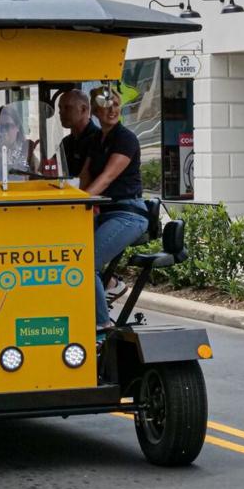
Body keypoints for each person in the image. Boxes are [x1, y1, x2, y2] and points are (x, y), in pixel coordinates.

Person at [80, 85, 147, 331]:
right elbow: (86, 175)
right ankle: (109, 285)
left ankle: (100, 322)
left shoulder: (126, 138)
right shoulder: (96, 140)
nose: (111, 110)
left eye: (116, 105)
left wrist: (82, 200)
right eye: (106, 106)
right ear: (95, 110)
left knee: (84, 262)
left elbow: (107, 178)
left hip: (128, 214)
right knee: (64, 252)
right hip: (103, 212)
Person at [58, 88, 98, 179]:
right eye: (60, 108)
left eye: (67, 107)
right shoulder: (66, 142)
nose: (61, 112)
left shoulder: (98, 140)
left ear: (83, 109)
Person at [0, 104, 38, 173]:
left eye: (7, 126)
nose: (2, 130)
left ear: (17, 127)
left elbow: (37, 178)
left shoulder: (26, 154)